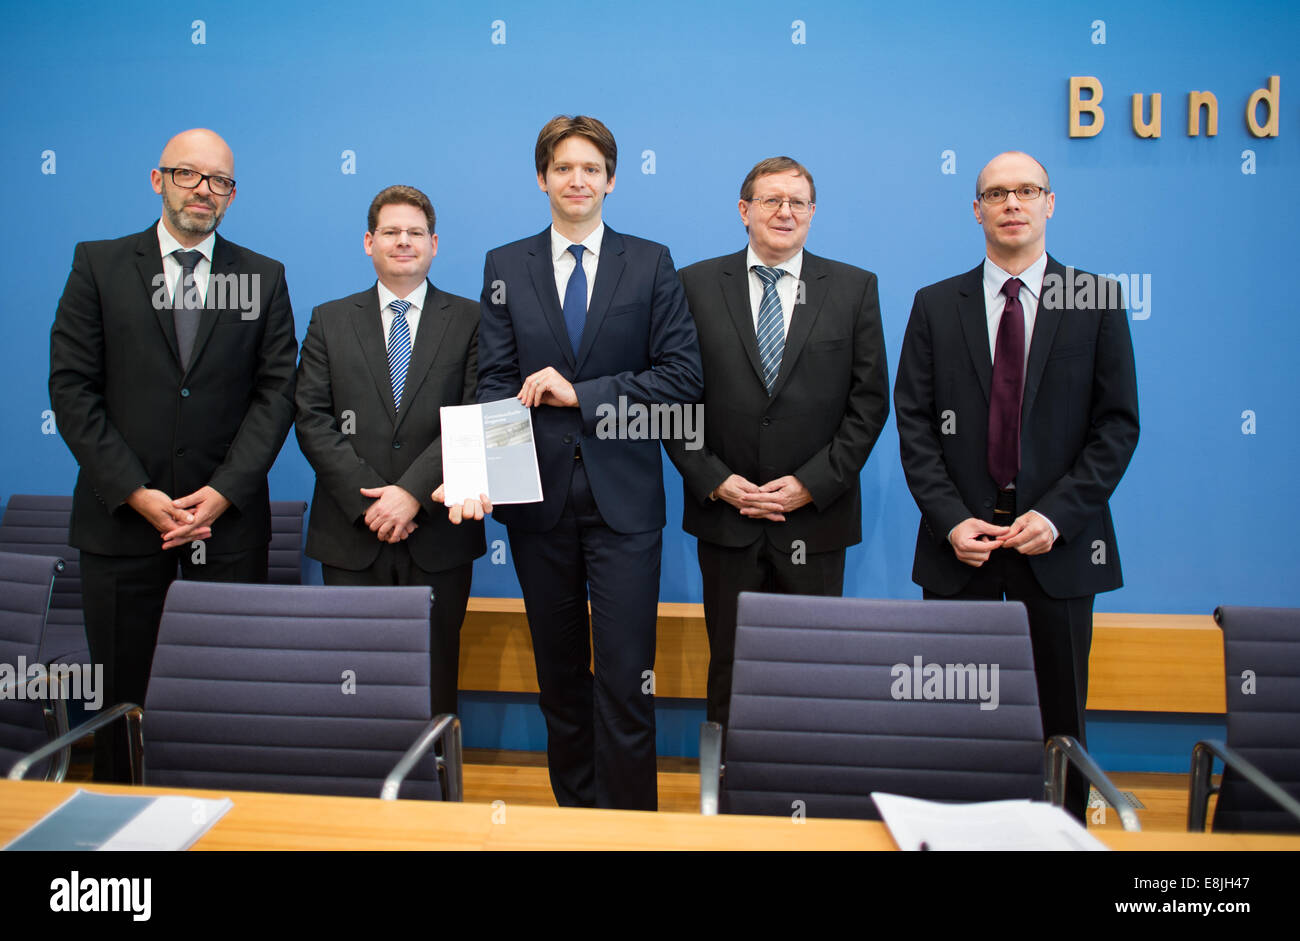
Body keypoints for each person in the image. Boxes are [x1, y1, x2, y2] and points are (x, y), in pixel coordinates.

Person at [464, 115, 702, 810]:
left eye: (591, 169)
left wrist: (584, 394)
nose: (577, 180)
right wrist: (487, 474)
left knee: (628, 680)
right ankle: (576, 820)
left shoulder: (651, 262)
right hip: (537, 505)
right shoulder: (506, 265)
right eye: (564, 168)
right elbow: (492, 382)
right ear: (542, 177)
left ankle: (630, 826)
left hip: (625, 506)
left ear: (611, 180)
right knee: (560, 680)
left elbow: (682, 378)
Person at [894, 151, 1139, 820]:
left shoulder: (1095, 298)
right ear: (976, 209)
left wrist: (1056, 516)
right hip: (959, 547)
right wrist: (949, 518)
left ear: (1049, 203)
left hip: (1058, 549)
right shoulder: (934, 304)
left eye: (1026, 190)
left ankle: (1061, 831)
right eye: (996, 193)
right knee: (952, 718)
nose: (1011, 203)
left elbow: (1116, 428)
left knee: (1060, 721)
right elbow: (914, 425)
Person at [48, 128, 298, 781]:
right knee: (118, 709)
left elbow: (276, 396)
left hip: (228, 529)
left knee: (223, 701)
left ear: (232, 195)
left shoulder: (263, 277)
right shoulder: (99, 265)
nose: (203, 190)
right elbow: (72, 389)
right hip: (123, 526)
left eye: (218, 181)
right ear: (157, 179)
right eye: (188, 174)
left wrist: (222, 492)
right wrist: (136, 491)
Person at [665, 156, 890, 734]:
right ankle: (730, 812)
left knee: (811, 674)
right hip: (727, 518)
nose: (784, 212)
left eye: (798, 202)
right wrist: (713, 479)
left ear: (813, 213)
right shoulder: (691, 285)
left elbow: (869, 406)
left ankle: (805, 802)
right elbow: (672, 399)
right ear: (744, 211)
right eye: (771, 200)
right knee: (730, 672)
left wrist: (809, 486)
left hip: (815, 522)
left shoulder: (853, 288)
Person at [294, 185, 484, 718]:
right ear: (368, 242)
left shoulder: (471, 319)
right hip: (352, 532)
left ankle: (433, 791)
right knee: (357, 680)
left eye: (416, 233)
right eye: (391, 232)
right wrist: (373, 503)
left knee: (435, 675)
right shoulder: (329, 319)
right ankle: (361, 793)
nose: (404, 242)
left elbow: (474, 416)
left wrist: (409, 494)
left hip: (440, 533)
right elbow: (311, 418)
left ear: (434, 244)